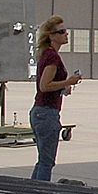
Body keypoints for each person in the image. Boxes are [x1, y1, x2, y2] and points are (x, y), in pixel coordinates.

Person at [30, 16, 81, 181]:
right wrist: (68, 81)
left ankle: (33, 191)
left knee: (43, 160)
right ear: (51, 36)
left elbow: (48, 85)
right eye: (62, 32)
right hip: (46, 113)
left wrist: (63, 87)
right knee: (47, 162)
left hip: (41, 112)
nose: (66, 34)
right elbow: (44, 86)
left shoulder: (47, 55)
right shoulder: (52, 57)